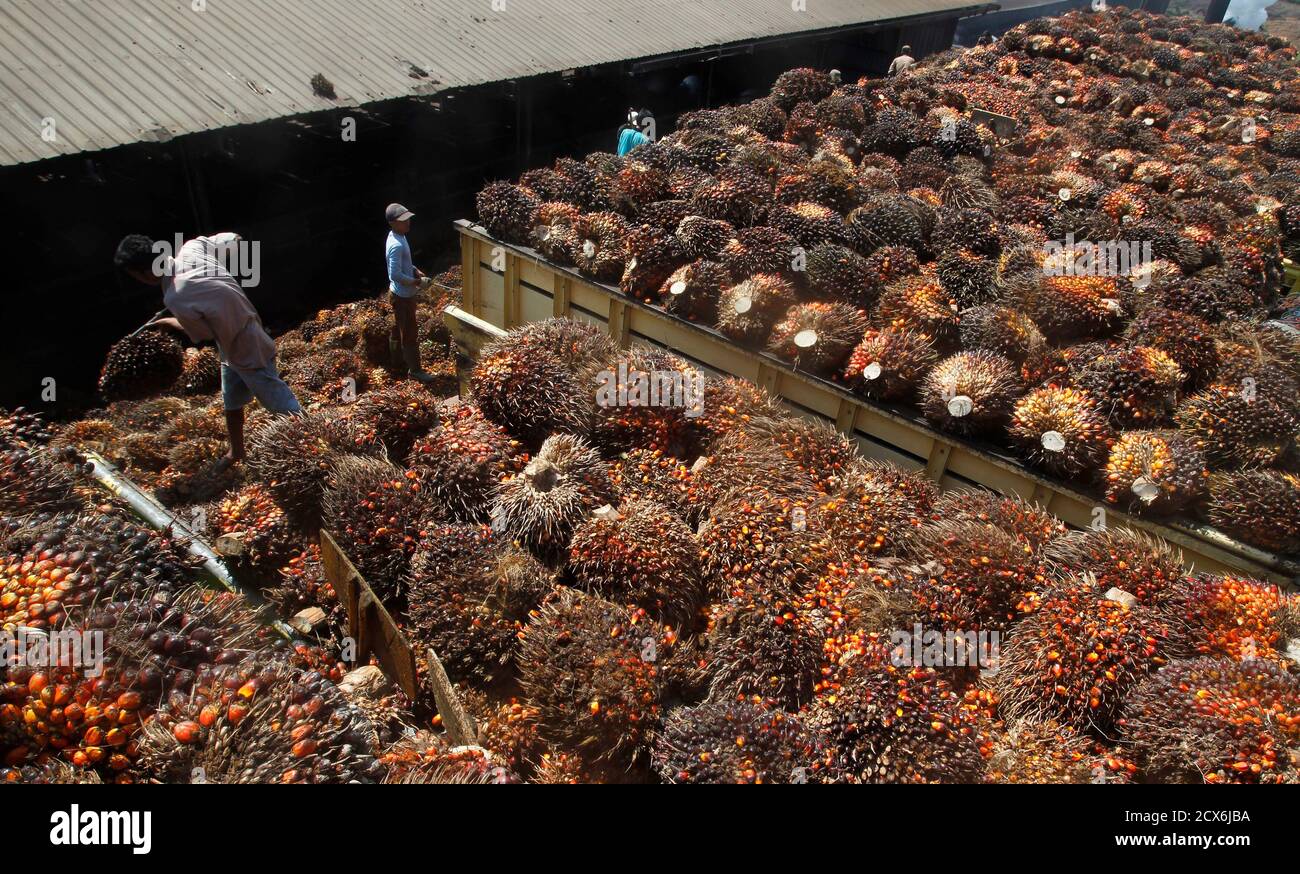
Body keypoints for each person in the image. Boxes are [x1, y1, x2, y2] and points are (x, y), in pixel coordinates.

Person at [114, 232, 300, 464]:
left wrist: (169, 322)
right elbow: (236, 239)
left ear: (145, 273)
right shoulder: (192, 248)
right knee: (231, 398)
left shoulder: (175, 296)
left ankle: (313, 437)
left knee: (278, 400)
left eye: (135, 276)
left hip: (245, 346)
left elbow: (203, 335)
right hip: (234, 339)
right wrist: (213, 271)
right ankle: (237, 451)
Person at [384, 203, 436, 385]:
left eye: (408, 219)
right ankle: (415, 371)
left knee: (398, 329)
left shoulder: (398, 236)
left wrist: (415, 270)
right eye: (403, 220)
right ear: (393, 223)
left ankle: (395, 363)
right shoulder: (396, 245)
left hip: (401, 293)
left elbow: (404, 265)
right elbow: (394, 274)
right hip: (402, 297)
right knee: (410, 333)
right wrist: (416, 283)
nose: (408, 223)